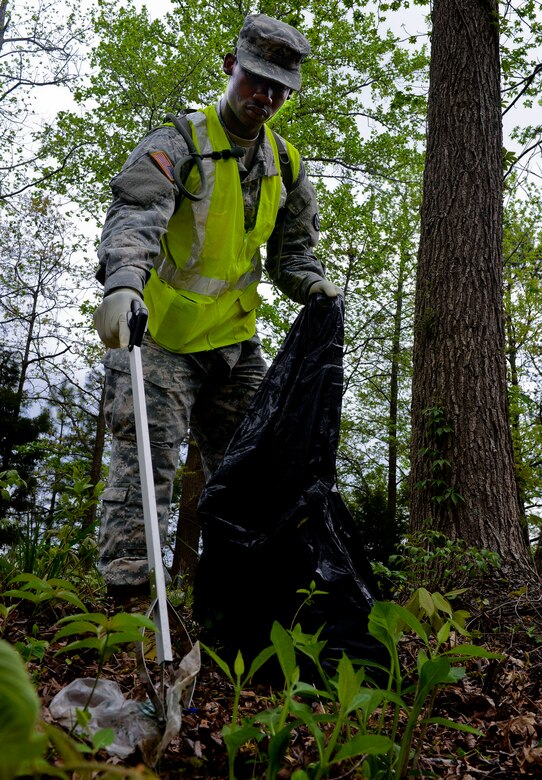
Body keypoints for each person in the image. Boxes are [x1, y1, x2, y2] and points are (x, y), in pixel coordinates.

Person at [93, 13, 342, 606]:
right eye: (257, 78)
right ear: (232, 68)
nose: (266, 94)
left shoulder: (286, 165)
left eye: (279, 87)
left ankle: (242, 601)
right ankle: (129, 604)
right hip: (159, 341)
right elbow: (134, 218)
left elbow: (294, 255)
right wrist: (122, 283)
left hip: (233, 347)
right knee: (144, 466)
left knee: (259, 469)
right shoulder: (177, 144)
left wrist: (317, 289)